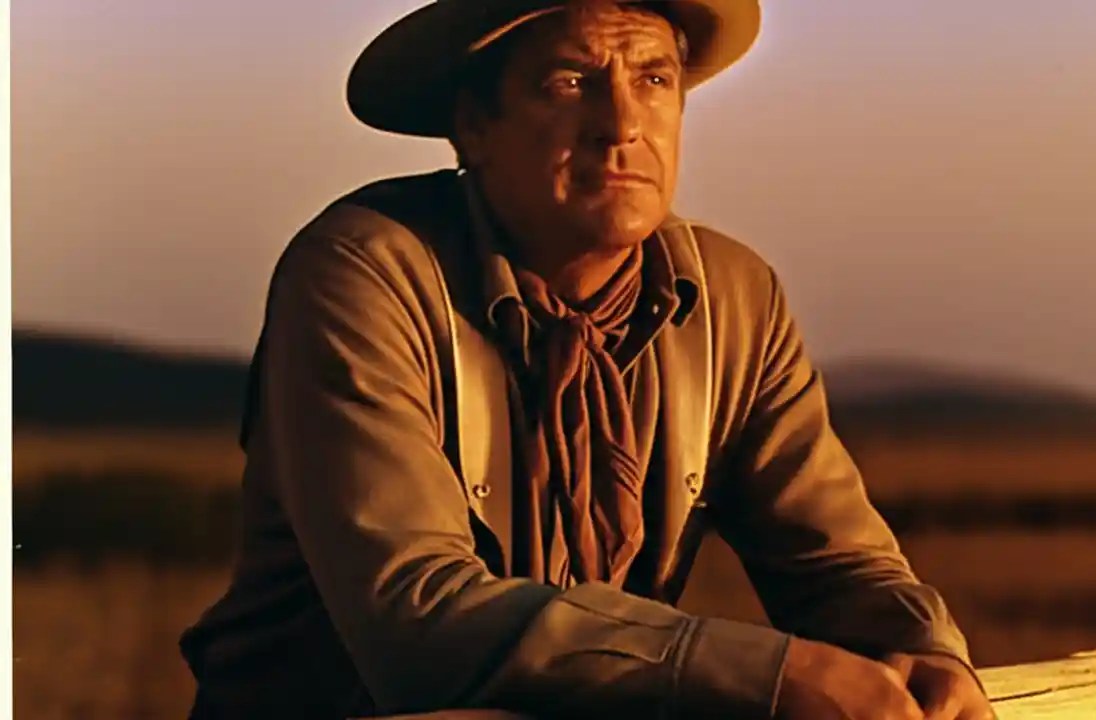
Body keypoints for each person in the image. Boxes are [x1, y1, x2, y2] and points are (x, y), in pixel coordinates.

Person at [180, 1, 996, 718]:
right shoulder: (369, 272)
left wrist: (923, 650)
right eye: (569, 82)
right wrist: (772, 677)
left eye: (654, 79)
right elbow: (416, 618)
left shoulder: (731, 299)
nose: (622, 124)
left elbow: (838, 560)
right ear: (473, 125)